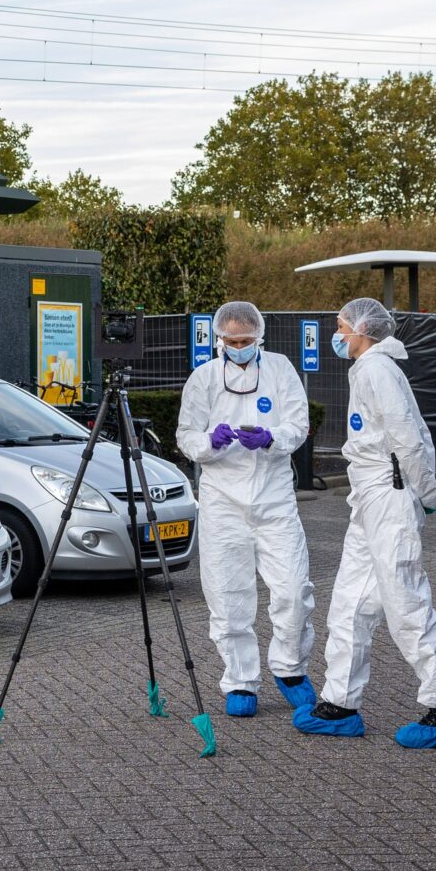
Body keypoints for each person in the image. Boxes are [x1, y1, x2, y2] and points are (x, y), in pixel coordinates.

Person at [294, 297, 436, 748]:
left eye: (341, 327)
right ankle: (340, 703)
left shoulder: (376, 370)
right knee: (351, 602)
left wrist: (425, 493)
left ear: (362, 330)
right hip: (369, 500)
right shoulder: (369, 369)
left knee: (406, 602)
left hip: (388, 498)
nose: (337, 334)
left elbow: (408, 436)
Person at [176, 301, 315, 719]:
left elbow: (299, 423)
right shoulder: (203, 378)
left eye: (246, 341)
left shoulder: (280, 369)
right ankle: (240, 679)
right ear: (219, 339)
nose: (239, 348)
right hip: (222, 499)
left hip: (273, 496)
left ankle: (290, 669)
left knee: (293, 590)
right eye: (232, 341)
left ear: (260, 336)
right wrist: (209, 443)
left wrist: (271, 437)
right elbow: (186, 434)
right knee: (227, 594)